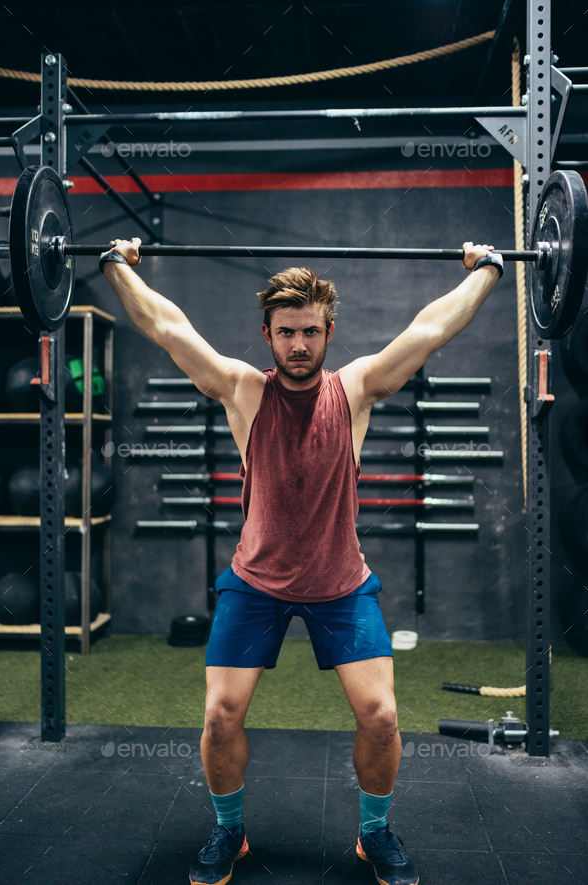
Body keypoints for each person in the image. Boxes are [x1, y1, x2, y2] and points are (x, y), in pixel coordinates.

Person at [101, 238, 503, 885]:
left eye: (310, 332)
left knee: (382, 716)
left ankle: (375, 833)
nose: (298, 345)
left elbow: (429, 330)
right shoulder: (243, 392)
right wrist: (116, 267)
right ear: (267, 333)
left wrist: (488, 270)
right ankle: (230, 828)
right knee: (218, 714)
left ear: (328, 331)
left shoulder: (357, 388)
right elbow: (165, 326)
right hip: (255, 581)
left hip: (339, 584)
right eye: (286, 332)